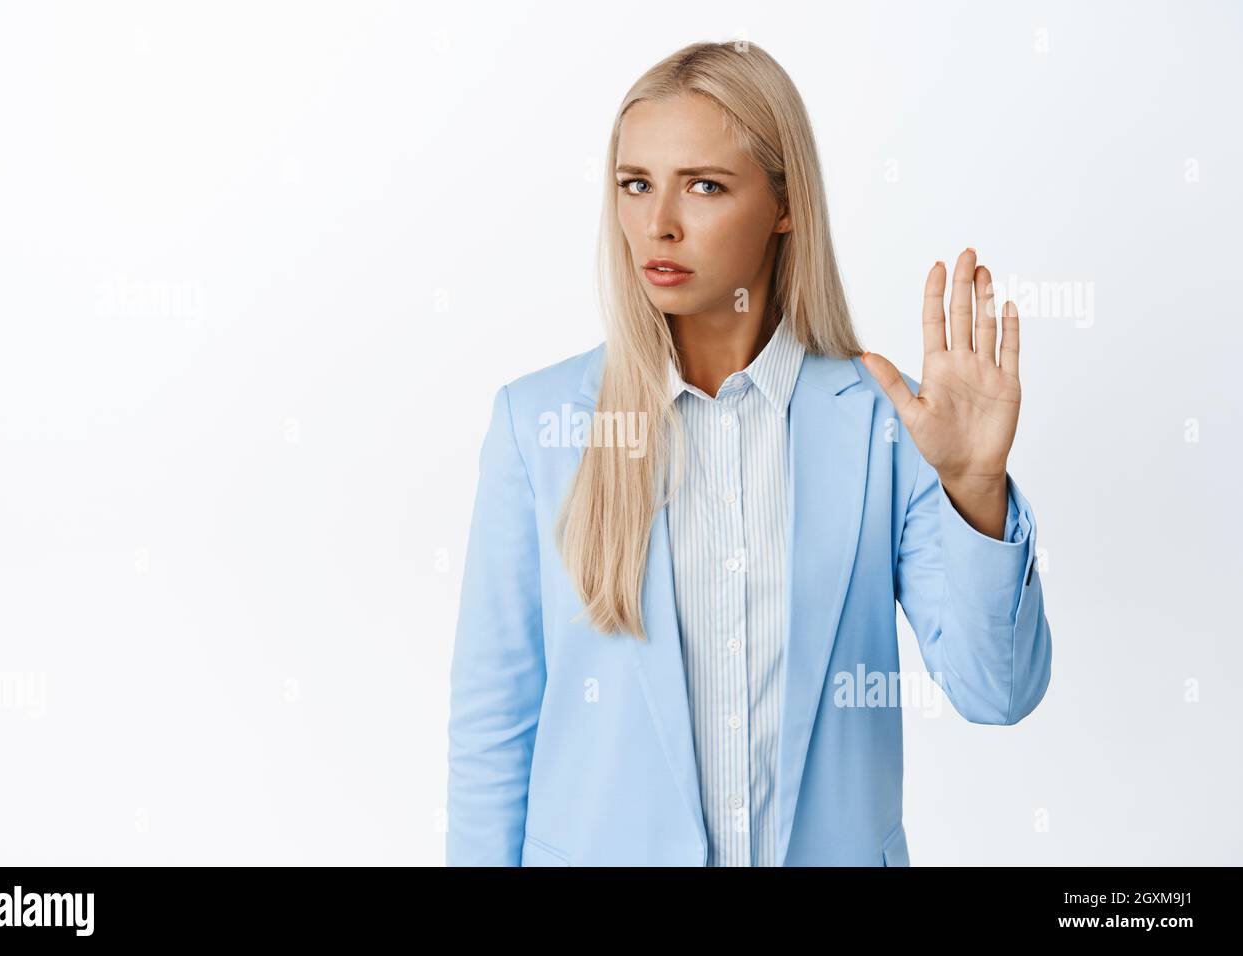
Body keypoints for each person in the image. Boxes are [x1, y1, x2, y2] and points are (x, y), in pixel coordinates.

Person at [446, 40, 1051, 867]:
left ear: (784, 203)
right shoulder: (539, 424)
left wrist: (974, 487)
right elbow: (494, 728)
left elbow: (997, 693)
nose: (658, 221)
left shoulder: (885, 424)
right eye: (635, 184)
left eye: (703, 185)